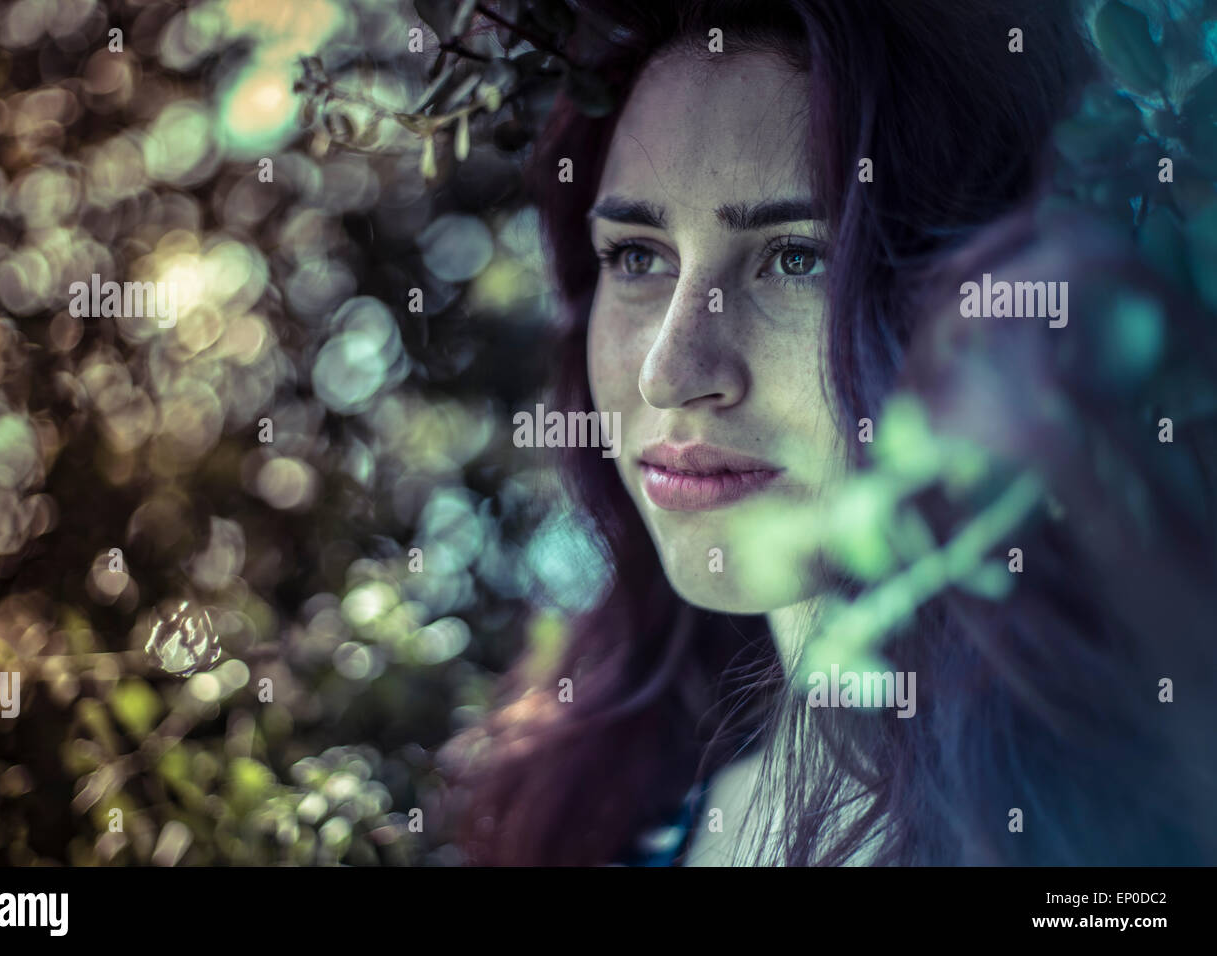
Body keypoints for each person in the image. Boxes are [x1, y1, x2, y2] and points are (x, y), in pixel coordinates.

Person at [439, 0, 1217, 865]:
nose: (671, 370)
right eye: (638, 257)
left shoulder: (1133, 833)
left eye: (797, 257)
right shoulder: (592, 809)